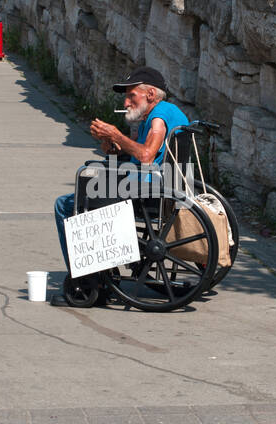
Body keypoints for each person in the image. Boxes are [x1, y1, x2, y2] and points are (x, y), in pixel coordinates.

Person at [50, 67, 190, 307]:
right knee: (96, 181)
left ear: (150, 94)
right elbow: (141, 154)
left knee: (66, 205)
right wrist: (114, 145)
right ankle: (104, 267)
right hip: (156, 184)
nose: (126, 102)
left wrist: (116, 133)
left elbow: (146, 156)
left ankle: (88, 280)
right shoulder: (162, 114)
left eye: (131, 95)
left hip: (149, 190)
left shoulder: (159, 117)